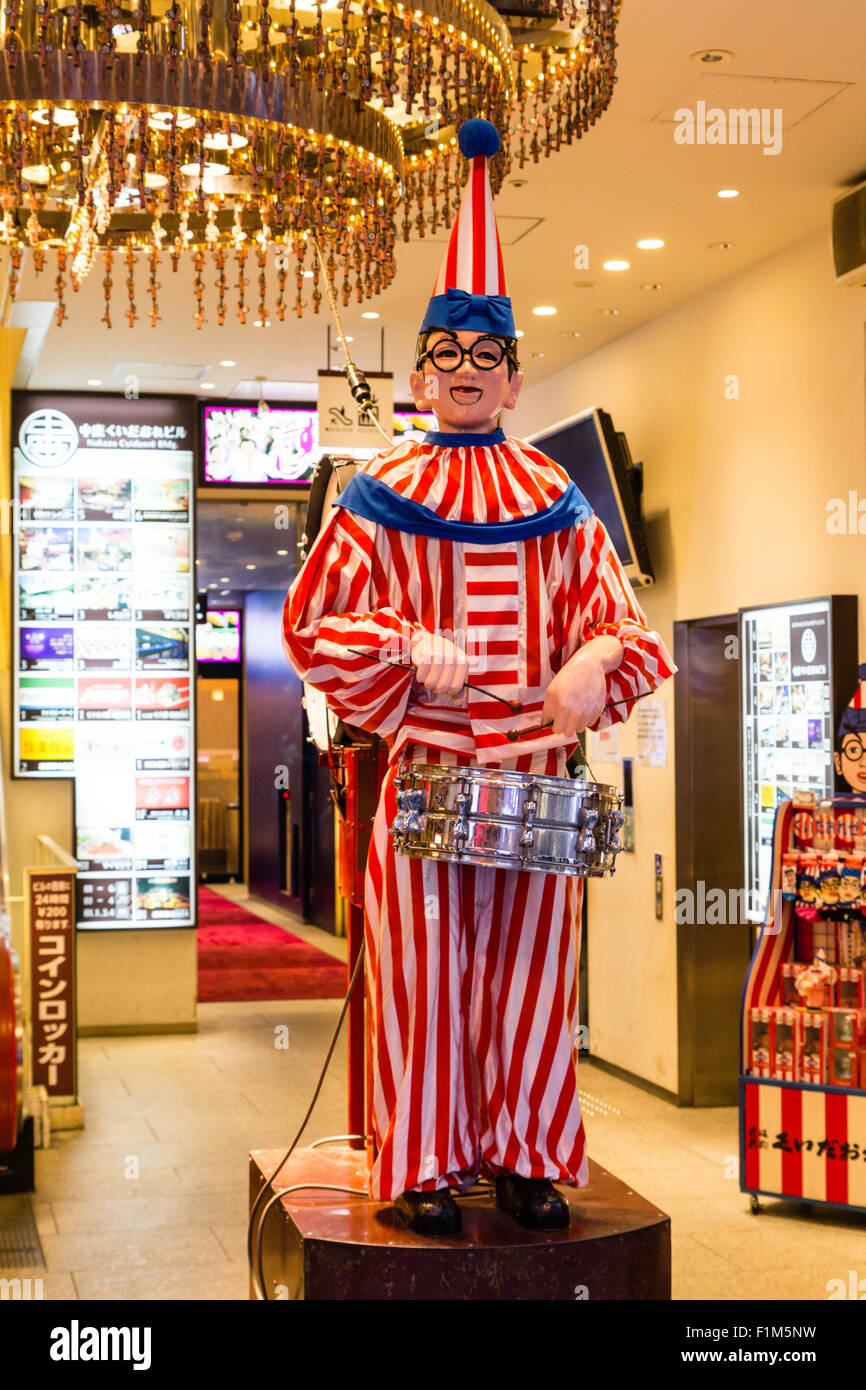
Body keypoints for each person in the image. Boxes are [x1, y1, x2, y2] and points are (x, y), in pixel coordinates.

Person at [283, 118, 675, 1238]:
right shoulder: (377, 492)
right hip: (427, 777)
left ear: (512, 375)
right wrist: (405, 645)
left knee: (531, 981)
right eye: (445, 357)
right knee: (419, 978)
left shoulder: (555, 496)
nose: (464, 374)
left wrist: (597, 661)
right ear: (419, 375)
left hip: (534, 785)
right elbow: (312, 627)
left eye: (483, 357)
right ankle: (417, 1167)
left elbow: (633, 635)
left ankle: (525, 1157)